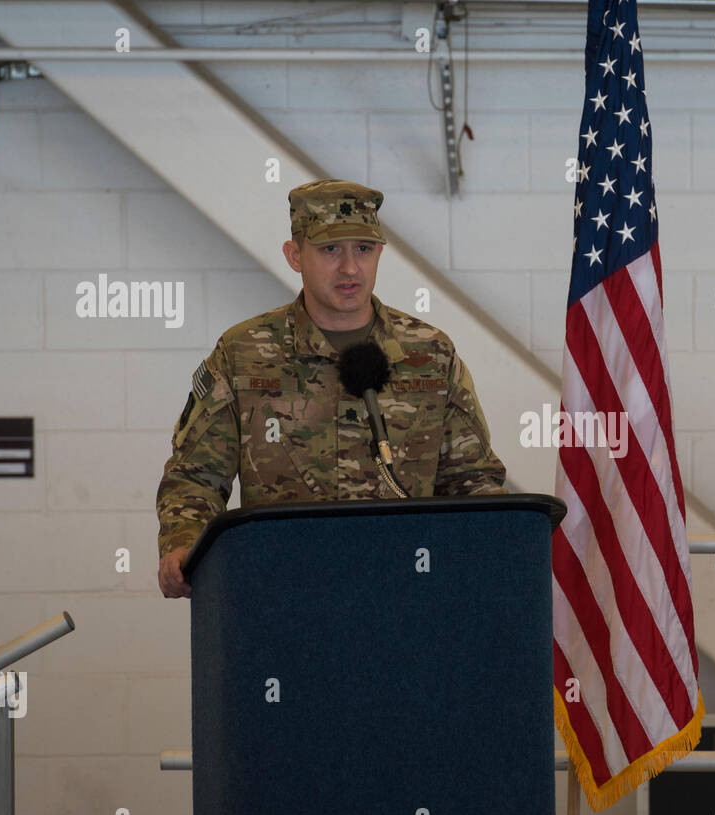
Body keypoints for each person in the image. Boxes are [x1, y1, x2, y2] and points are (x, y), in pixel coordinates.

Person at [156, 178, 506, 598]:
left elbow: (473, 482)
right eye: (329, 250)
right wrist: (183, 541)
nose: (350, 268)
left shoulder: (429, 353)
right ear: (294, 256)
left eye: (363, 248)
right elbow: (194, 477)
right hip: (281, 591)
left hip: (407, 595)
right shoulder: (243, 353)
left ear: (380, 253)